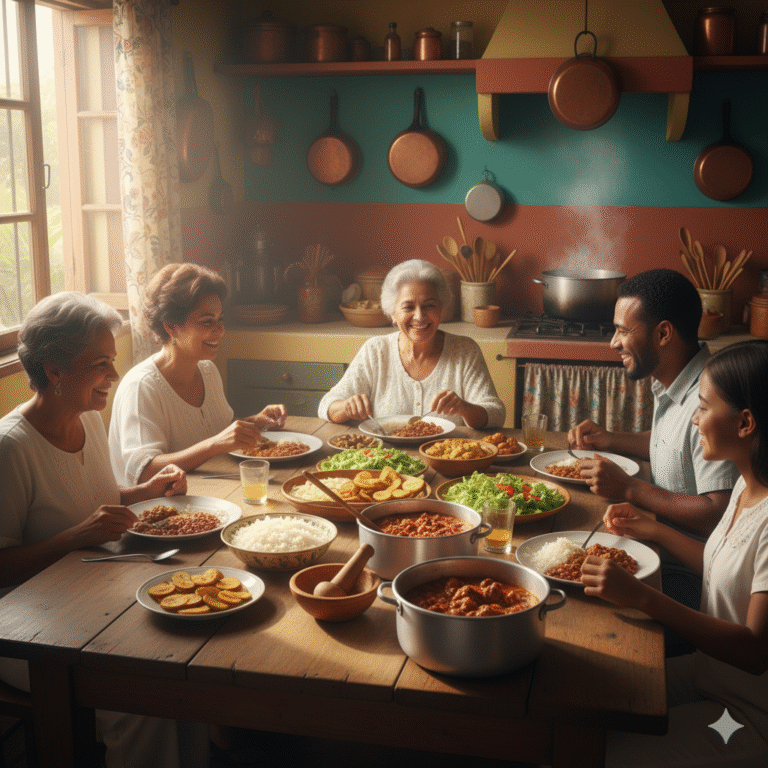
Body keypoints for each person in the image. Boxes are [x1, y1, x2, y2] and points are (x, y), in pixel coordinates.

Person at [0, 292, 206, 768]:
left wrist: (144, 490)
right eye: (101, 364)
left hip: (91, 595)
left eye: (112, 362)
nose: (114, 376)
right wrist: (74, 537)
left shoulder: (88, 419)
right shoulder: (12, 448)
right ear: (54, 370)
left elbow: (99, 501)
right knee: (141, 691)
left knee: (189, 657)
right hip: (27, 629)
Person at [582, 340, 768, 767]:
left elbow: (756, 651)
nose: (695, 421)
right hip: (710, 676)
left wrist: (643, 597)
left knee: (594, 753)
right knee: (583, 713)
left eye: (703, 408)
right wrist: (656, 530)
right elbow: (726, 570)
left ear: (745, 423)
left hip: (745, 715)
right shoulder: (746, 485)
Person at [568, 269, 738, 652]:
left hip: (693, 580)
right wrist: (613, 440)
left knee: (589, 629)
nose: (614, 343)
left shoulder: (707, 401)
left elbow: (718, 510)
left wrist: (630, 488)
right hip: (661, 547)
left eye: (623, 331)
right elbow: (673, 449)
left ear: (663, 334)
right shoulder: (675, 380)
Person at [109, 263, 286, 485]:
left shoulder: (207, 370)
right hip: (159, 510)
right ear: (172, 326)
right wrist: (214, 444)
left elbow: (217, 430)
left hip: (207, 493)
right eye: (207, 322)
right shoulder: (141, 387)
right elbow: (144, 472)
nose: (220, 330)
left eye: (220, 319)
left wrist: (254, 423)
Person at [318, 259, 505, 429]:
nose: (419, 316)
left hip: (447, 461)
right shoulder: (375, 350)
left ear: (441, 307)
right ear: (392, 313)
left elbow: (496, 414)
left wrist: (464, 408)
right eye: (408, 307)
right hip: (386, 462)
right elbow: (327, 405)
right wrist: (345, 407)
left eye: (429, 305)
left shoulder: (465, 350)